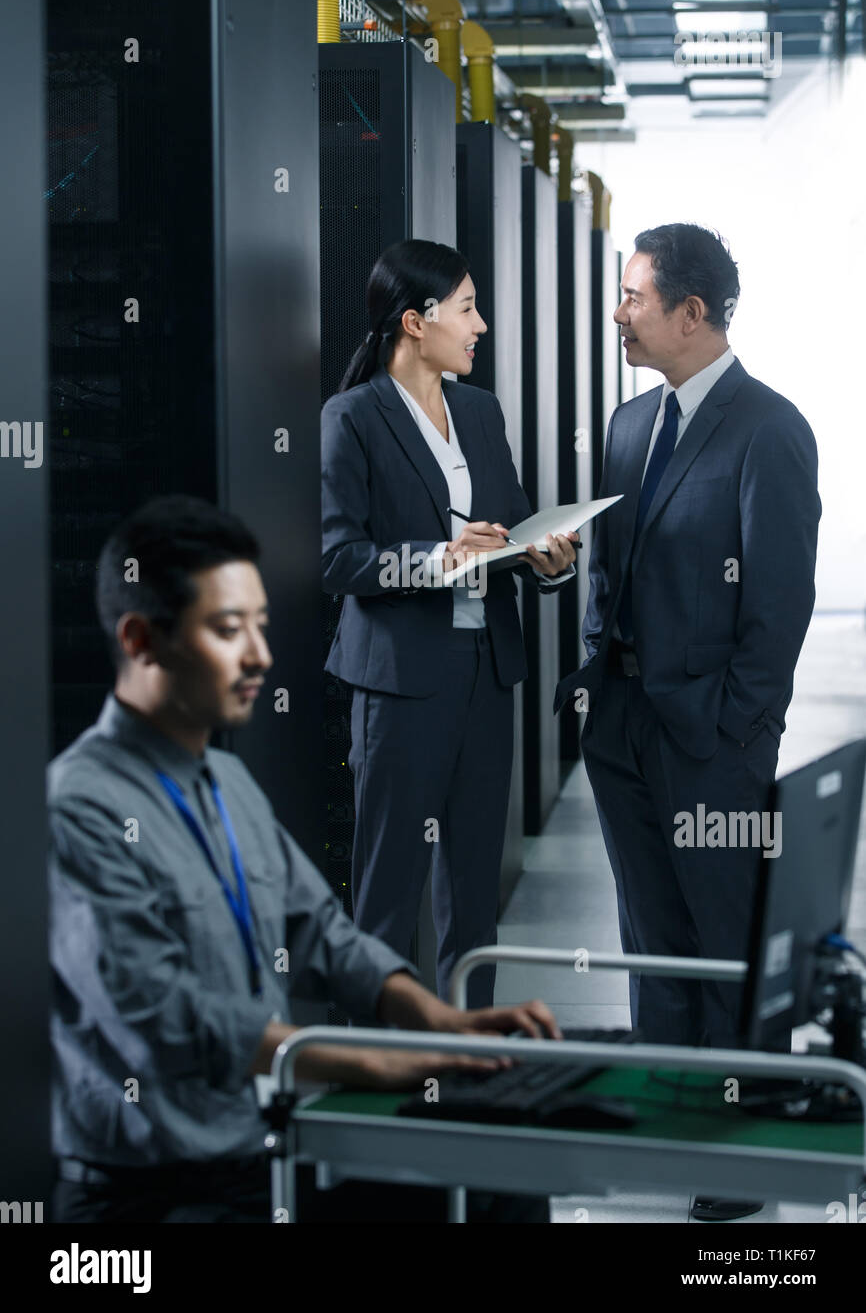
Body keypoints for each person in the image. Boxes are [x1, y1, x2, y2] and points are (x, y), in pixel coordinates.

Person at [49, 495, 559, 1223]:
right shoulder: (80, 810)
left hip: (266, 1149)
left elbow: (323, 934)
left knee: (500, 1180)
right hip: (148, 1194)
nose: (260, 654)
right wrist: (377, 1063)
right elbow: (167, 1017)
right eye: (229, 630)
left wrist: (442, 1024)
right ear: (140, 640)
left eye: (259, 624)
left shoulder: (226, 783)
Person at [553, 224, 820, 1222]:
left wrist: (734, 728)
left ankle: (740, 1155)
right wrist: (592, 670)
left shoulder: (767, 429)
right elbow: (612, 570)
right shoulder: (628, 426)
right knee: (652, 937)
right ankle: (675, 1113)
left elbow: (778, 607)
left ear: (689, 311)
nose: (617, 313)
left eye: (630, 296)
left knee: (724, 942)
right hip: (621, 726)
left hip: (711, 741)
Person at [321, 239, 579, 1009]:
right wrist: (439, 557)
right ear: (414, 321)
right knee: (389, 887)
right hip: (402, 682)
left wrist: (548, 559)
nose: (482, 326)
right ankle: (371, 1063)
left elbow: (510, 530)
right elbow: (341, 562)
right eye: (467, 308)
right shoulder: (353, 417)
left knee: (472, 890)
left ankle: (469, 1056)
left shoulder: (480, 410)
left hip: (487, 675)